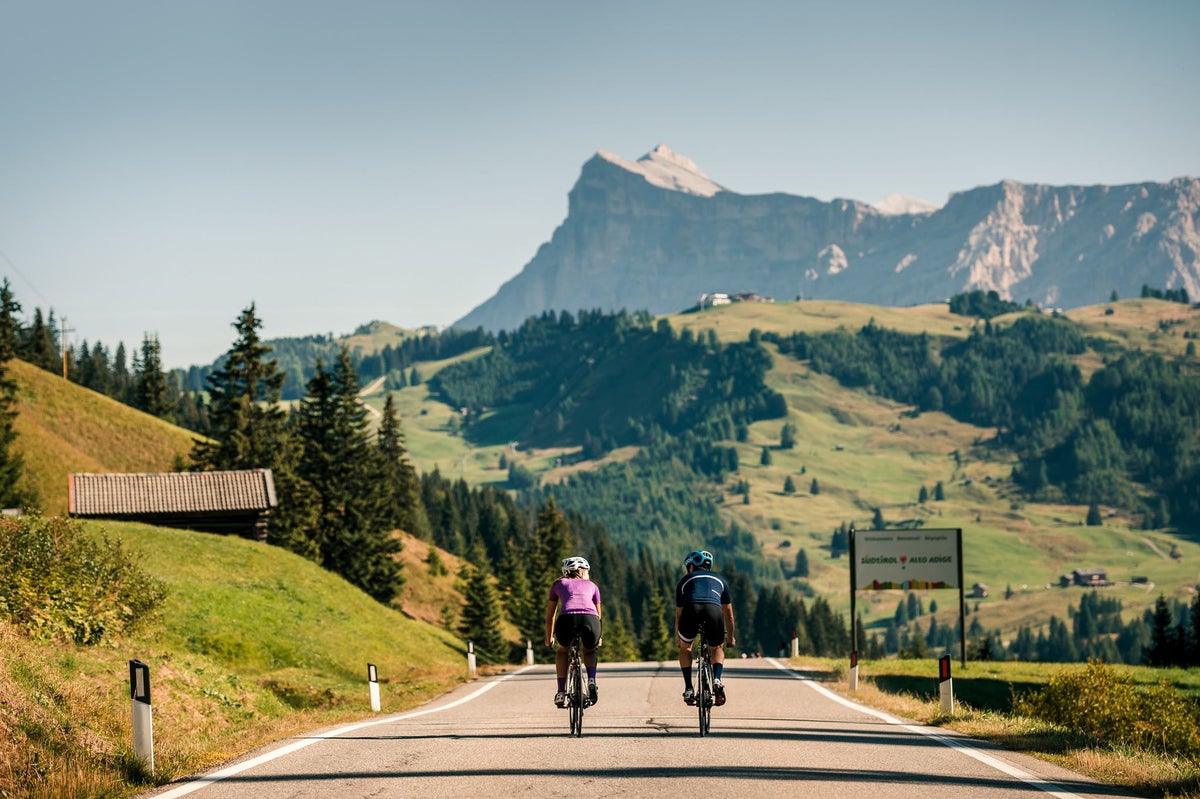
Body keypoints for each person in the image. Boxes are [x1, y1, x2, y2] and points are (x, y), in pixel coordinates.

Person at [675, 549, 735, 706]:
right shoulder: (721, 580)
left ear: (691, 567)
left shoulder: (685, 580)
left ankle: (688, 687)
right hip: (713, 611)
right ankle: (717, 679)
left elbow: (679, 614)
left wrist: (678, 637)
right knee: (717, 648)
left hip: (691, 610)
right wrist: (730, 637)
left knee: (686, 648)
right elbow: (728, 613)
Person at [545, 555, 602, 708]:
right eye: (587, 571)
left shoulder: (558, 584)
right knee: (589, 651)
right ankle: (591, 680)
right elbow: (598, 616)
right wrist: (599, 637)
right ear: (579, 571)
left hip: (566, 620)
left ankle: (561, 692)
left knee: (562, 651)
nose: (588, 574)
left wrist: (549, 638)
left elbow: (550, 616)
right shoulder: (593, 586)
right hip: (590, 621)